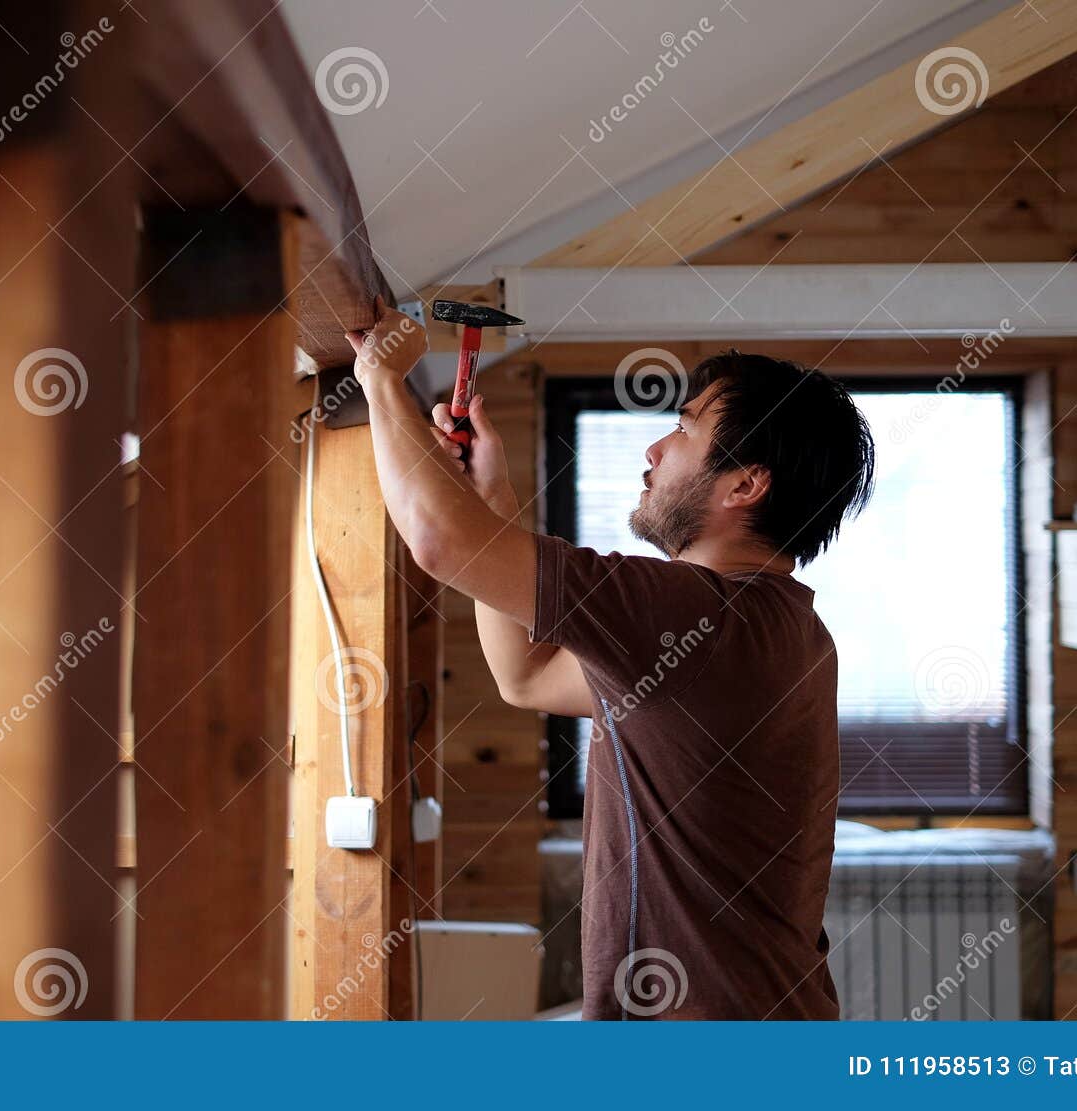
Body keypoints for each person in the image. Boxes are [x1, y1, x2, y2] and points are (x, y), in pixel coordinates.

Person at [347, 300, 874, 1020]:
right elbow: (526, 676)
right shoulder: (777, 627)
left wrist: (379, 380)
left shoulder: (698, 614)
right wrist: (491, 494)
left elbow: (440, 543)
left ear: (744, 485)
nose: (655, 449)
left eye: (685, 428)